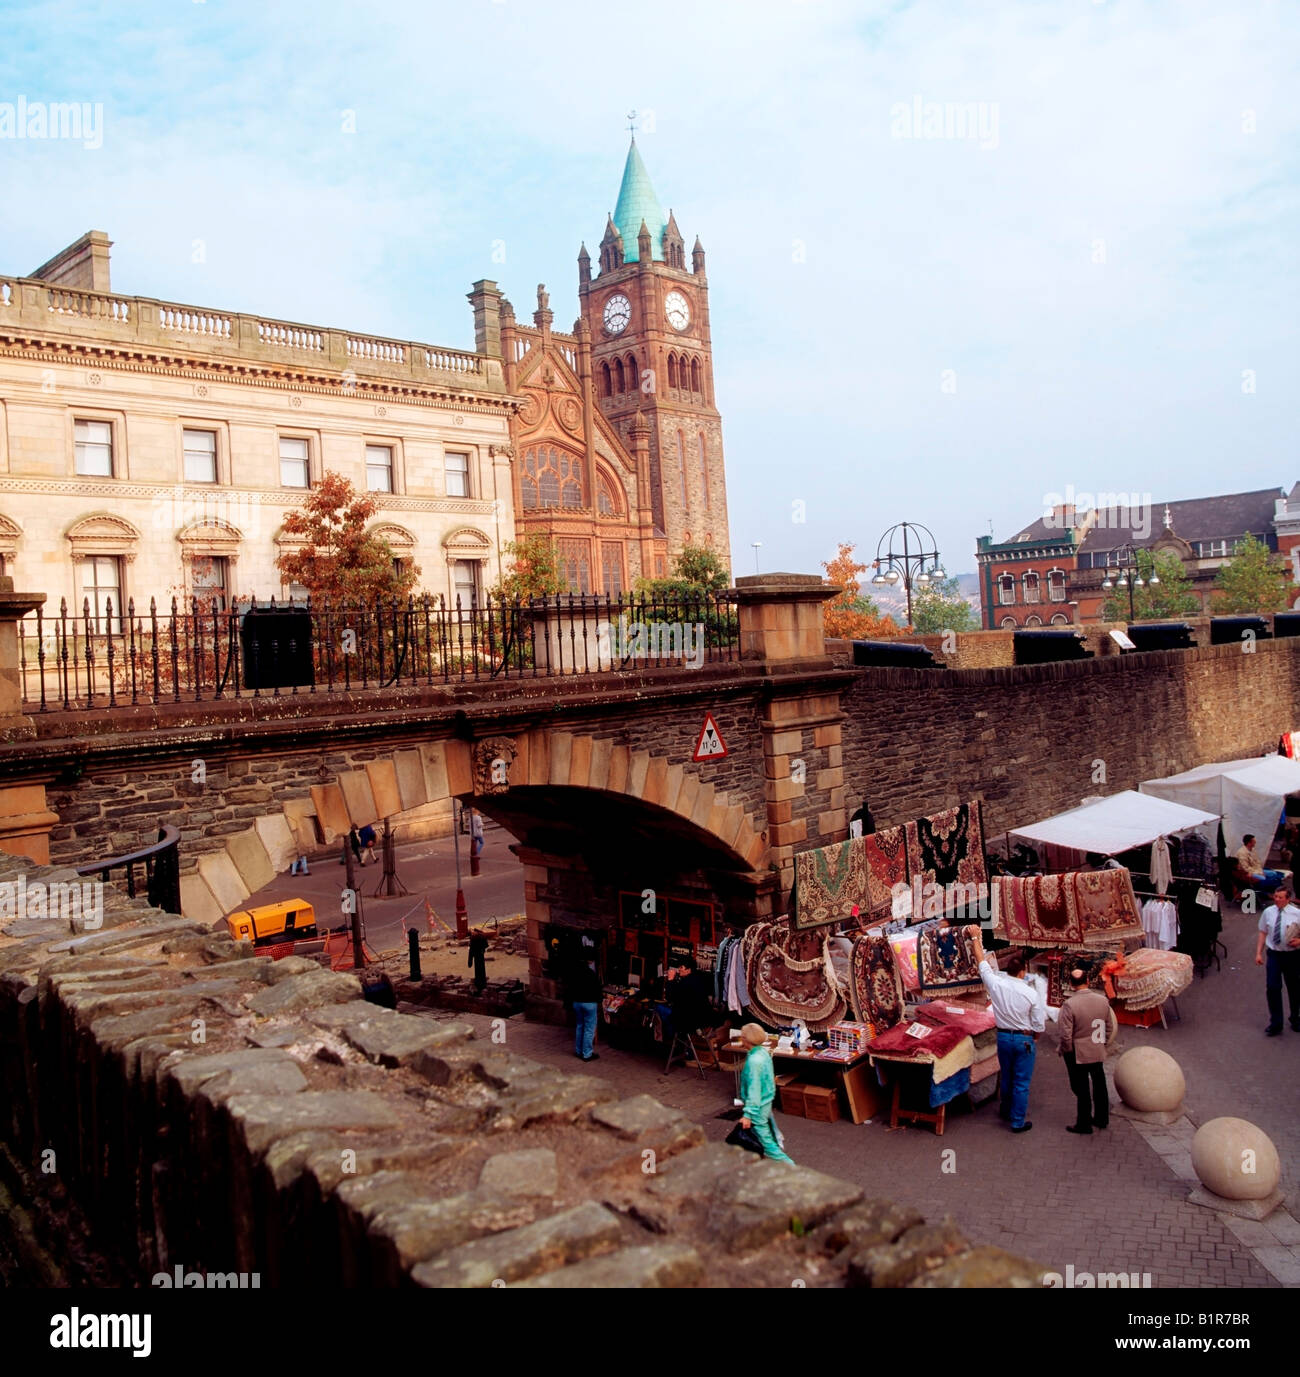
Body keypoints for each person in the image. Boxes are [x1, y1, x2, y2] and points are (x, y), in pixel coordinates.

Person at [966, 925, 1046, 1133]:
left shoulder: (996, 984)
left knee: (1008, 1076)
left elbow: (981, 962)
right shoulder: (1030, 994)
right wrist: (1034, 1038)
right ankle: (1017, 1121)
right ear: (1023, 972)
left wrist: (975, 937)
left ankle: (1005, 1109)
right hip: (1023, 1039)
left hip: (1003, 1037)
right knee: (1021, 1081)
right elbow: (1039, 1024)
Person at [1057, 967, 1117, 1134]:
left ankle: (1084, 1123)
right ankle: (1101, 1118)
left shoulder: (1070, 1004)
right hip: (1097, 1048)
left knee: (1081, 1087)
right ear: (1088, 981)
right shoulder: (1102, 1001)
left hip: (1078, 1052)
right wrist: (1102, 1044)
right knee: (1100, 1085)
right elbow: (1109, 1027)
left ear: (1071, 984)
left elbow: (1065, 1034)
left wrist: (1066, 1051)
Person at [738, 1023, 793, 1164]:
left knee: (768, 1145)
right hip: (766, 1102)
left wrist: (748, 1114)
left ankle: (793, 1170)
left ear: (745, 1039)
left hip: (758, 1107)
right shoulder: (762, 1052)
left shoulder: (754, 1061)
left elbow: (754, 1090)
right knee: (762, 1138)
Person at [1256, 882, 1300, 1036]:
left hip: (1292, 956)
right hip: (1274, 955)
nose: (1276, 900)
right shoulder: (1268, 912)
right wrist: (1259, 953)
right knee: (1273, 988)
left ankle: (1295, 1018)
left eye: (1280, 897)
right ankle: (1276, 1023)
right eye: (1275, 896)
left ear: (1288, 899)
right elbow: (1263, 932)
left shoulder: (1297, 913)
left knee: (1294, 988)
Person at [567, 954, 602, 1062]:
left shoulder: (575, 973)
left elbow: (570, 988)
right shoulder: (591, 974)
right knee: (589, 1029)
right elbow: (597, 989)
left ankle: (578, 1051)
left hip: (577, 1002)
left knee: (579, 1026)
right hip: (589, 1003)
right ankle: (587, 1053)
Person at [468, 929, 490, 994]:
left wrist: (470, 961)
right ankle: (483, 984)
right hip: (481, 955)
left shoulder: (473, 938)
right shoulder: (482, 936)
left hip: (476, 956)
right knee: (482, 970)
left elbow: (471, 951)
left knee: (477, 971)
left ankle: (479, 985)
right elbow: (486, 945)